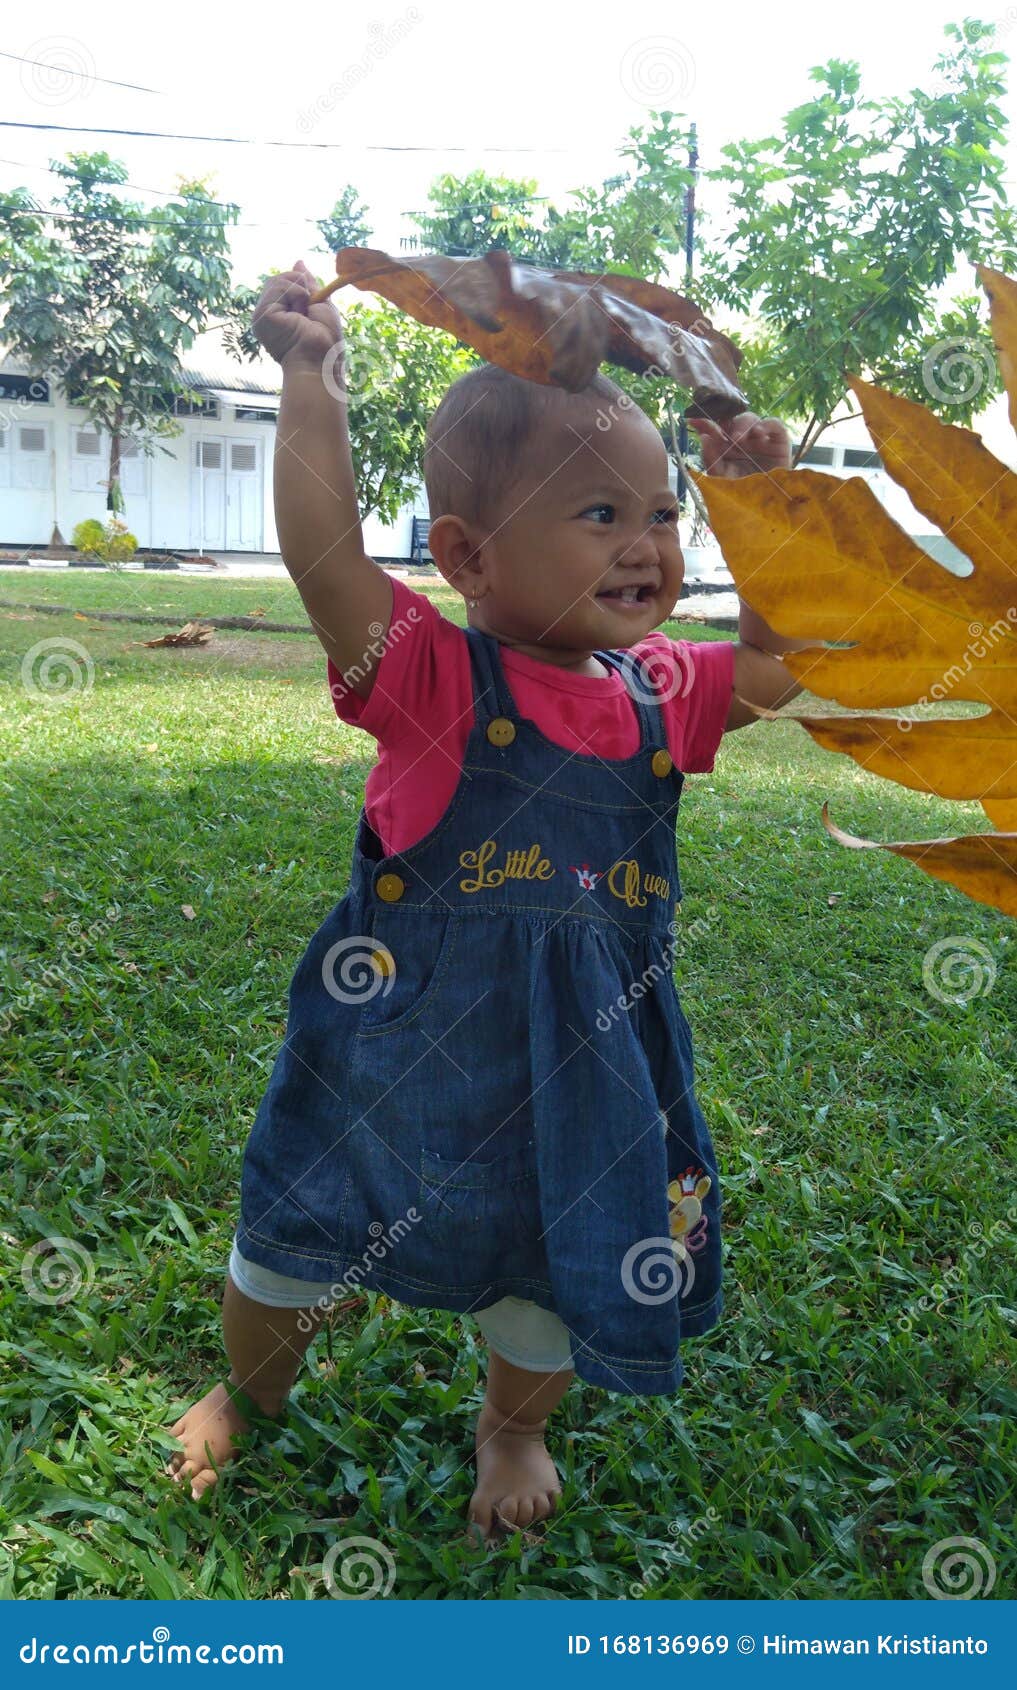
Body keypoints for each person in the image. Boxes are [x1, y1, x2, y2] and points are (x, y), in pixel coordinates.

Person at [167, 260, 812, 1539]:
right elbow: (325, 556)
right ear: (466, 554)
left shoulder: (663, 688)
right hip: (395, 1061)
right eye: (600, 512)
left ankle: (512, 1426)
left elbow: (777, 664)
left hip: (590, 1070)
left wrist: (762, 509)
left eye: (664, 513)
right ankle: (249, 1390)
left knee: (554, 1277)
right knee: (292, 1246)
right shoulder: (431, 680)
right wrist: (312, 377)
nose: (647, 543)